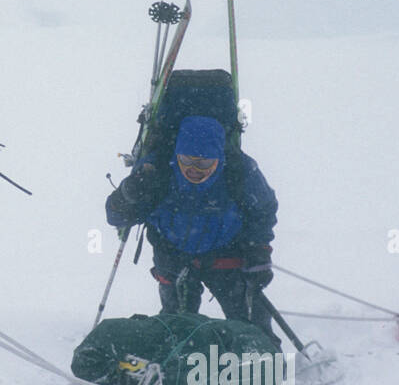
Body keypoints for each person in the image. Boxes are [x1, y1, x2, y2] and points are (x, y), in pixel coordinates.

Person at [105, 114, 279, 336]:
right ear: (177, 155)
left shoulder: (239, 171)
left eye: (205, 162)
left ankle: (262, 361)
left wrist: (259, 251)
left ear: (219, 159)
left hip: (226, 252)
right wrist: (126, 195)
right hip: (173, 255)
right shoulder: (157, 172)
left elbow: (263, 209)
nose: (194, 169)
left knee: (252, 325)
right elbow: (115, 217)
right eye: (186, 160)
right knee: (177, 328)